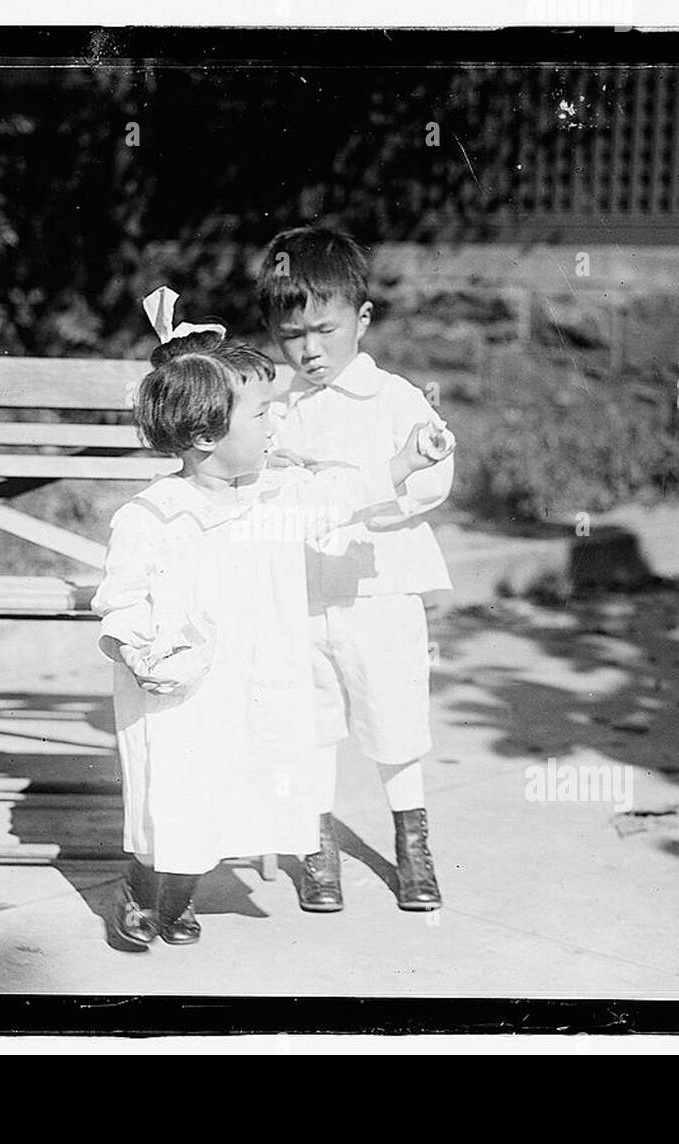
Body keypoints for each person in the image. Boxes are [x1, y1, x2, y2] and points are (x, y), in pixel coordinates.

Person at [91, 298, 454, 949]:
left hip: (239, 688)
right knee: (170, 800)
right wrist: (134, 646)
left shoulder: (275, 500)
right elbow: (119, 599)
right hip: (172, 695)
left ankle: (177, 900)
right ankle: (146, 893)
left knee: (220, 802)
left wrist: (402, 461)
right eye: (260, 416)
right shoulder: (153, 517)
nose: (273, 428)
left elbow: (339, 495)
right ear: (206, 438)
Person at [257, 226, 455, 912]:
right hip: (304, 591)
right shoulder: (276, 409)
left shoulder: (394, 400)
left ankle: (413, 844)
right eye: (292, 336)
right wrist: (339, 489)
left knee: (393, 715)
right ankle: (316, 848)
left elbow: (430, 479)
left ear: (361, 321)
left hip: (379, 585)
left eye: (324, 329)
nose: (309, 350)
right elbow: (274, 491)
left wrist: (373, 486)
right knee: (309, 719)